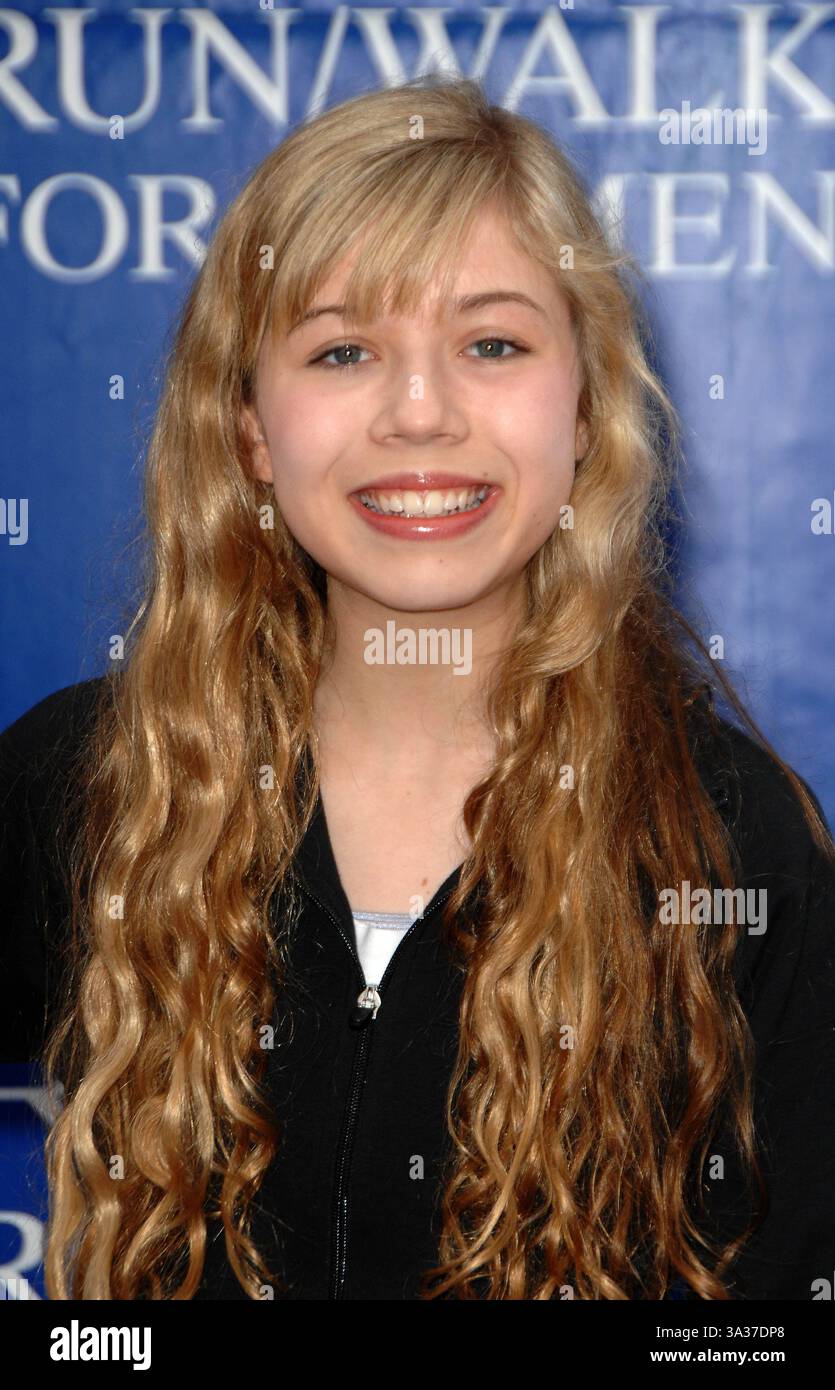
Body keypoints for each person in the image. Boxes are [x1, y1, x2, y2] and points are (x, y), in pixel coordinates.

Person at [1, 74, 834, 1302]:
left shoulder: (727, 839)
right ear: (248, 433)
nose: (420, 412)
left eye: (490, 343)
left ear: (586, 406)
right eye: (343, 350)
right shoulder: (92, 779)